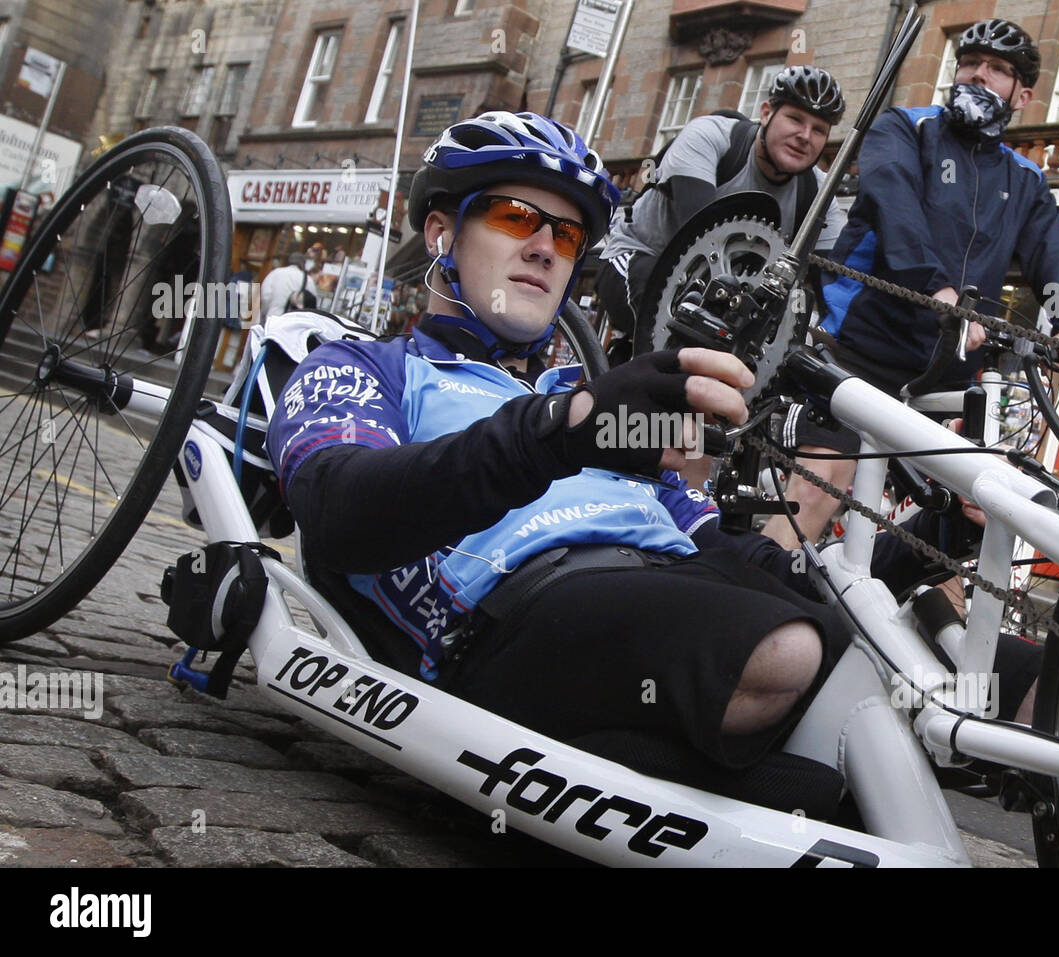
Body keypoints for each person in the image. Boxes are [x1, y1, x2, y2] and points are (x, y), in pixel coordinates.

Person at [267, 111, 850, 779]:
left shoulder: (587, 391)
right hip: (518, 615)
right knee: (789, 650)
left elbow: (715, 542)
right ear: (440, 232)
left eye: (567, 234)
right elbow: (339, 511)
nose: (546, 246)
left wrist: (889, 562)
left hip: (666, 594)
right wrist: (560, 428)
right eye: (517, 217)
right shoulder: (368, 365)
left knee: (869, 660)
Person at [763, 19, 1059, 550]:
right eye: (970, 63)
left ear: (1022, 95)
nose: (978, 75)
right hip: (859, 352)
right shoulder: (904, 128)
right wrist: (938, 289)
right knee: (820, 492)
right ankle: (756, 596)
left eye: (997, 70)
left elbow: (1057, 251)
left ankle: (930, 622)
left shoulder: (1024, 179)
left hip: (947, 378)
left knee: (971, 520)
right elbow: (895, 206)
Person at [596, 66, 848, 359]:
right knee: (683, 322)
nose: (805, 136)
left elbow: (836, 286)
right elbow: (705, 241)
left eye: (819, 130)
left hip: (727, 291)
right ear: (766, 113)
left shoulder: (818, 193)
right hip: (643, 257)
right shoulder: (709, 137)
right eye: (795, 119)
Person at [259, 251, 320, 320]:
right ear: (303, 264)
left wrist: (268, 309)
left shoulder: (275, 272)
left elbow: (265, 295)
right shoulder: (307, 279)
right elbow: (312, 303)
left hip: (272, 317)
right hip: (293, 320)